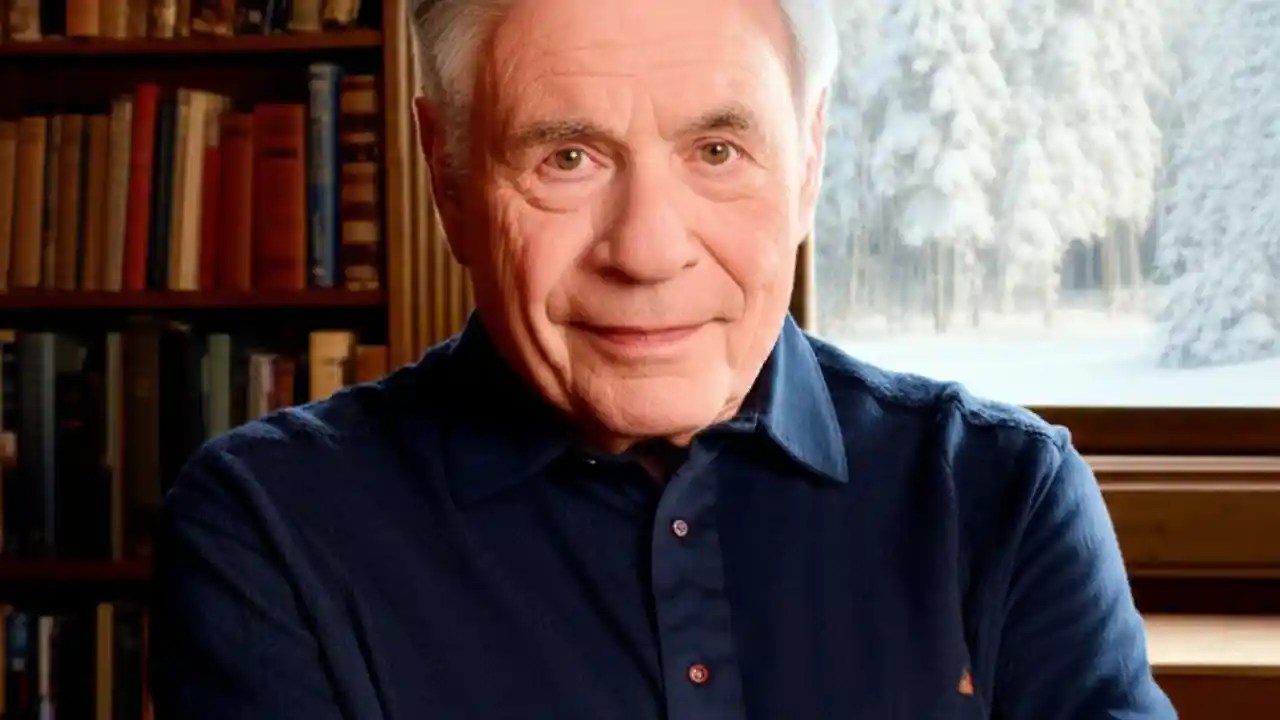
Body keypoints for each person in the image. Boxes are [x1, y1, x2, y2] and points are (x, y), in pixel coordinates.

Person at [150, 0, 1177, 717]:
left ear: (809, 161)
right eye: (566, 157)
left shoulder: (1004, 498)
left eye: (716, 151)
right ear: (448, 172)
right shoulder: (270, 526)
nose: (645, 250)